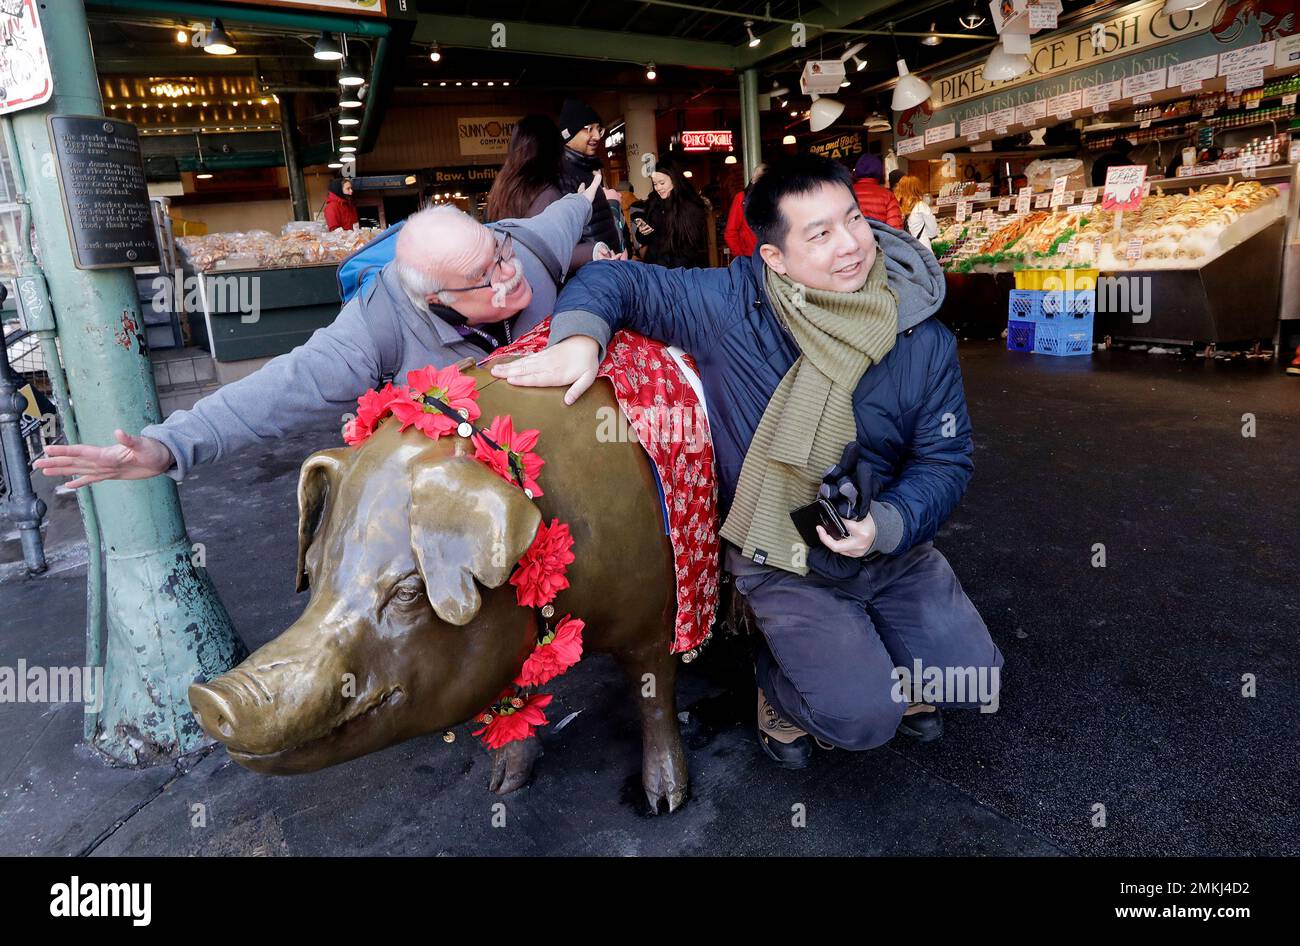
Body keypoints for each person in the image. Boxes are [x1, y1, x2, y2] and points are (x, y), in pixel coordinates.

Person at [492, 154, 1003, 769]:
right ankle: (780, 689)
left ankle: (884, 660)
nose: (850, 247)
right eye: (819, 234)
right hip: (782, 558)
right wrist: (580, 340)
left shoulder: (919, 326)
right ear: (775, 258)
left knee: (973, 680)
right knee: (863, 720)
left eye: (854, 221)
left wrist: (888, 524)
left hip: (891, 544)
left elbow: (945, 458)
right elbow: (614, 281)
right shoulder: (728, 304)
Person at [36, 180, 602, 486]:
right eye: (487, 275)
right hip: (463, 484)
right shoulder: (378, 326)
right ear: (437, 298)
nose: (511, 274)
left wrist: (587, 197)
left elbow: (566, 216)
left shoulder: (522, 246)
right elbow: (283, 387)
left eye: (499, 254)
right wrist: (167, 447)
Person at [486, 113, 617, 270]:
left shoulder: (503, 188)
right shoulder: (546, 192)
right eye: (589, 129)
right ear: (552, 148)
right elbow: (549, 248)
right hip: (544, 287)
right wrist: (595, 252)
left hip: (512, 280)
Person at [557, 98, 625, 265]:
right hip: (592, 270)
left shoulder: (587, 169)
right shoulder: (564, 174)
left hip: (606, 265)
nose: (596, 136)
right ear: (569, 134)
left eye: (599, 129)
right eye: (589, 129)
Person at [636, 160, 710, 268]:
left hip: (681, 273)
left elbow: (690, 249)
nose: (658, 188)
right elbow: (646, 240)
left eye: (662, 183)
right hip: (656, 270)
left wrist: (672, 274)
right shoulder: (654, 204)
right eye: (655, 184)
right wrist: (643, 232)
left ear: (674, 180)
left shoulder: (689, 208)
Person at [724, 163, 765, 260]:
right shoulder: (741, 198)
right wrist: (741, 257)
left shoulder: (775, 199)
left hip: (772, 257)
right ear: (753, 179)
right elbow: (730, 232)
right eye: (757, 178)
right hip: (749, 256)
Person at [851, 153, 904, 229]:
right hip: (880, 240)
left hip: (853, 240)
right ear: (879, 171)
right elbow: (895, 229)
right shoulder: (888, 195)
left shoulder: (847, 193)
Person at [894, 174, 939, 251]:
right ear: (916, 189)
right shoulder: (921, 206)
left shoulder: (895, 206)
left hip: (904, 250)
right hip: (921, 248)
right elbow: (933, 231)